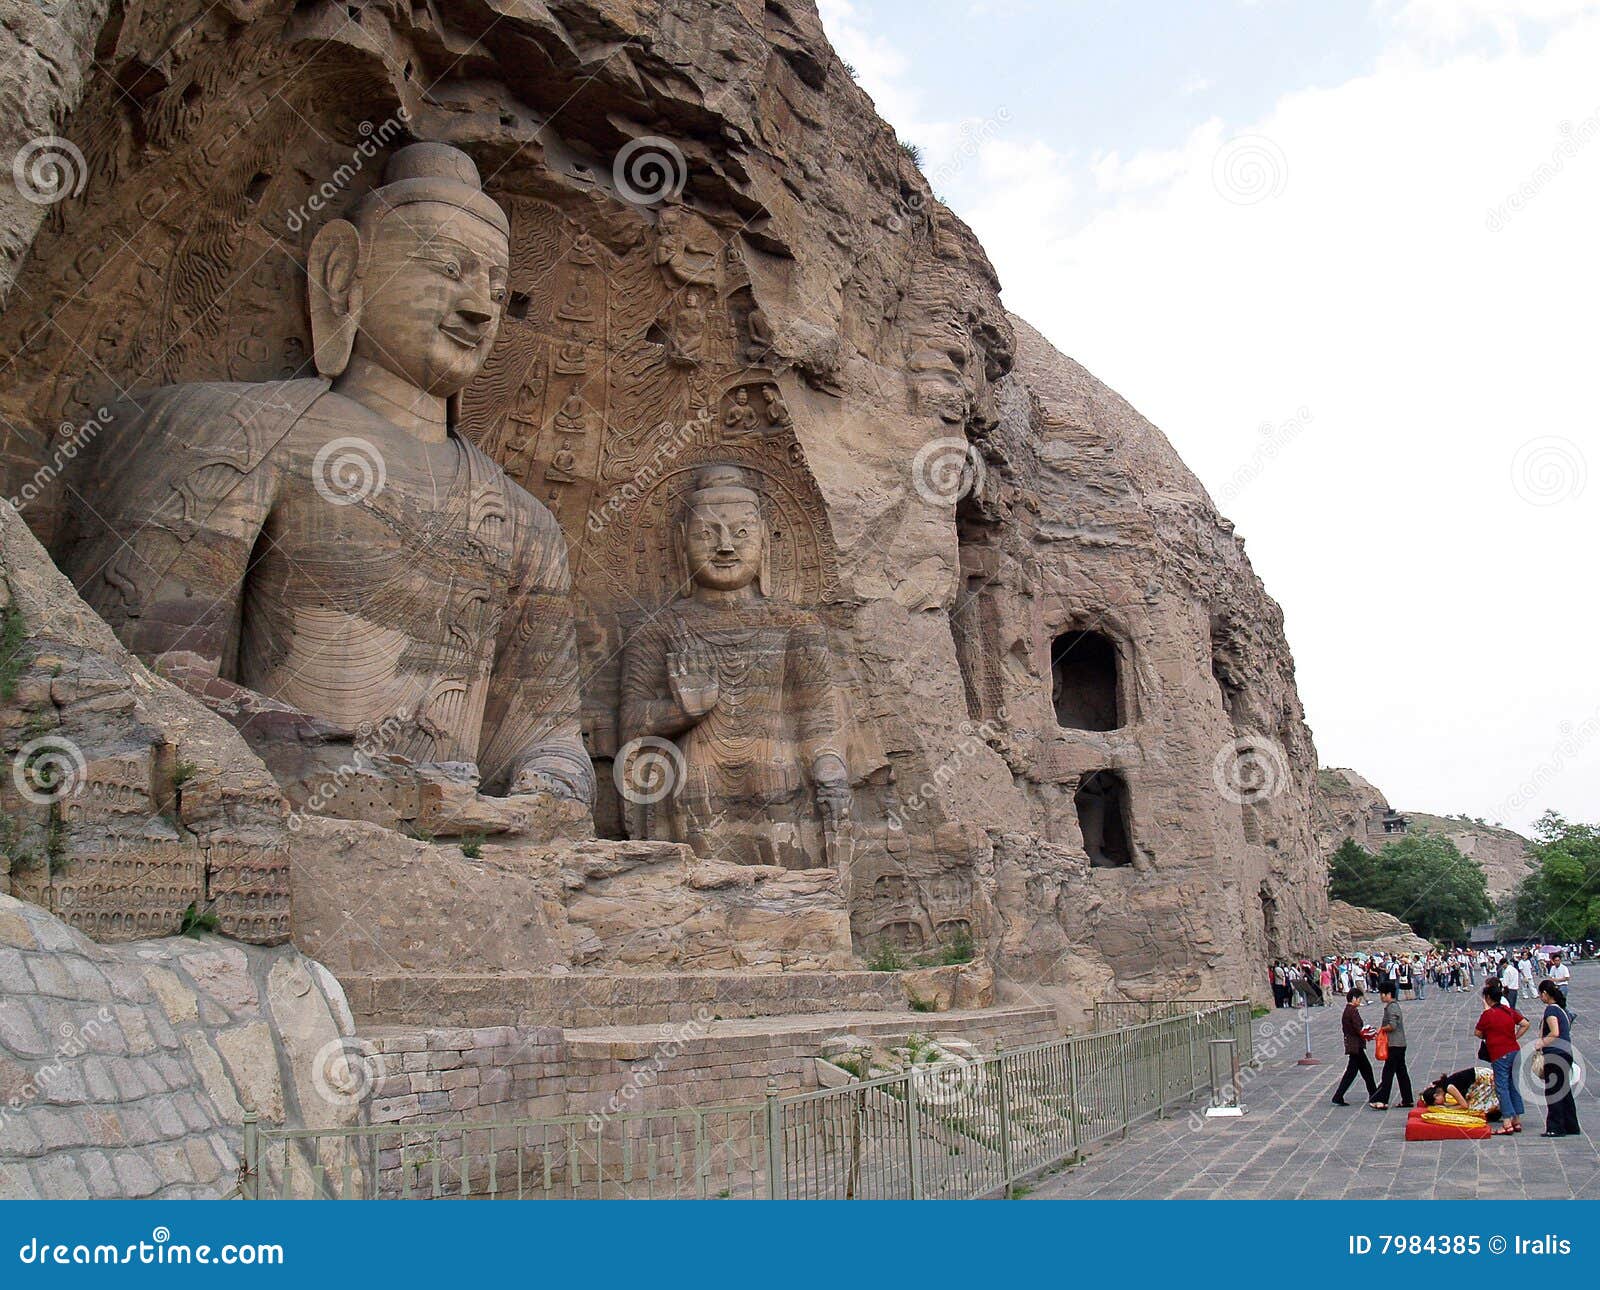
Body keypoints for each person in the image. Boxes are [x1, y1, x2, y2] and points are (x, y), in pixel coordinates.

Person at [1474, 980, 1528, 1135]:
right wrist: (1515, 1037)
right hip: (1514, 1050)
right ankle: (1516, 1119)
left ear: (1489, 998)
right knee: (1513, 1085)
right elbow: (1525, 1023)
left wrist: (1490, 1034)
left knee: (1502, 1087)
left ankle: (1506, 1122)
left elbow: (1477, 1033)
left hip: (1499, 1053)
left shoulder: (1488, 1014)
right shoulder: (1508, 1010)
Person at [1533, 980, 1580, 1138]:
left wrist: (1542, 1042)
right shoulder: (1562, 1010)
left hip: (1555, 1054)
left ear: (1545, 994)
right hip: (1565, 1053)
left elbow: (1555, 1032)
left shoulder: (1551, 1011)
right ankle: (1571, 1125)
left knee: (1553, 1091)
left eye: (1541, 994)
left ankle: (1556, 1126)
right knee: (1564, 1091)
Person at [1332, 987, 1379, 1106]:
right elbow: (1358, 1028)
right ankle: (1373, 1095)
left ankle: (1373, 1094)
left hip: (1353, 1044)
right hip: (1356, 1045)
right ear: (1353, 999)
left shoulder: (1348, 1010)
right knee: (1360, 1071)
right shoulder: (1352, 1011)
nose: (1359, 1002)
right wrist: (1370, 1033)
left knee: (1361, 1071)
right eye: (1358, 999)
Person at [1370, 983, 1413, 1108]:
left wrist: (1381, 1029)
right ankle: (1407, 1099)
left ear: (1388, 994)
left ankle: (1383, 1100)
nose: (1381, 996)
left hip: (1394, 1044)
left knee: (1388, 1073)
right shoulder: (1393, 1006)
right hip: (1400, 1043)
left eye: (1382, 994)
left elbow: (1392, 1026)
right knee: (1401, 1072)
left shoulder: (1392, 1007)